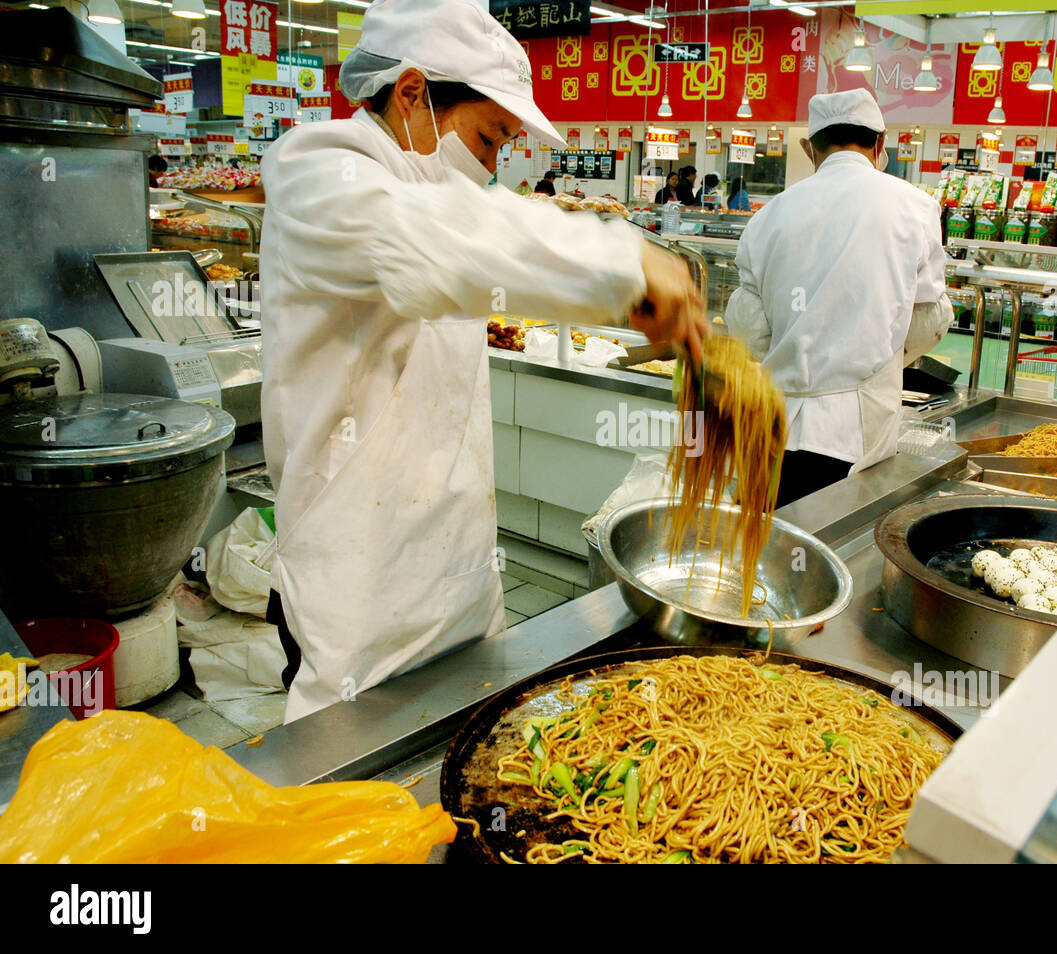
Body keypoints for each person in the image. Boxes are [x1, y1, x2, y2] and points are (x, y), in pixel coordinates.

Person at [259, 0, 706, 723]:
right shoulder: (321, 173)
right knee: (356, 786)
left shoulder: (430, 189)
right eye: (491, 139)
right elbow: (432, 242)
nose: (494, 166)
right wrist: (624, 263)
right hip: (357, 593)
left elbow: (474, 242)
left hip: (455, 572)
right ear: (411, 94)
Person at [725, 89, 952, 508]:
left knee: (767, 551)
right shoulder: (915, 207)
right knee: (839, 553)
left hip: (772, 430)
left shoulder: (768, 215)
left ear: (810, 148)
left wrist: (799, 352)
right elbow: (925, 324)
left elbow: (750, 332)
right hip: (855, 435)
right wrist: (869, 353)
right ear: (880, 144)